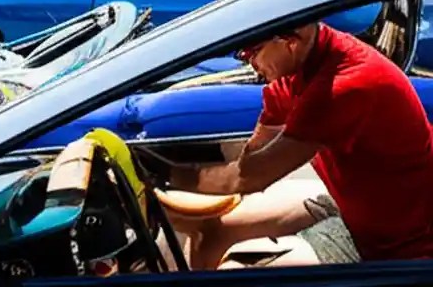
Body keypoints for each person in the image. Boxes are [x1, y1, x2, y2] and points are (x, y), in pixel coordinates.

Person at [166, 21, 433, 268]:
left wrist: (167, 174)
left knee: (236, 271)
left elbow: (249, 178)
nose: (250, 63)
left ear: (289, 42)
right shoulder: (299, 66)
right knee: (210, 230)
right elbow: (255, 153)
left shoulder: (341, 87)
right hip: (355, 203)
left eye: (252, 51)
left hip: (402, 245)